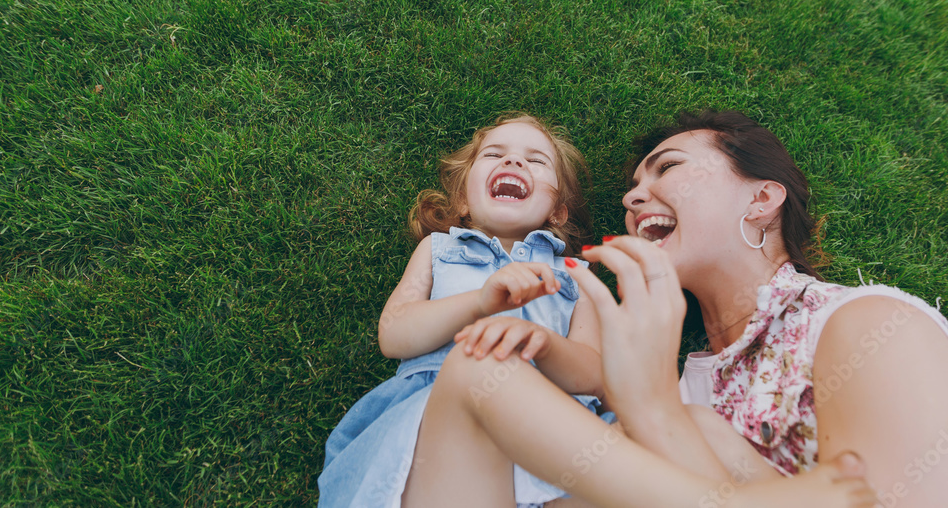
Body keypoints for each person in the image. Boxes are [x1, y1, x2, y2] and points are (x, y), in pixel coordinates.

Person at [402, 110, 948, 508]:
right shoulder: (675, 381)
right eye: (634, 187)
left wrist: (655, 412)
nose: (632, 200)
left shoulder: (866, 324)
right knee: (480, 367)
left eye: (667, 168)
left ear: (761, 200)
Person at [317, 114, 605, 507]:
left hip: (548, 422)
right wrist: (479, 302)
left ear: (558, 212)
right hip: (441, 409)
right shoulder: (439, 251)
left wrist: (545, 344)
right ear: (465, 202)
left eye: (536, 160)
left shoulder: (576, 276)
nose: (514, 162)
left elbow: (594, 375)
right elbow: (394, 334)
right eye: (494, 154)